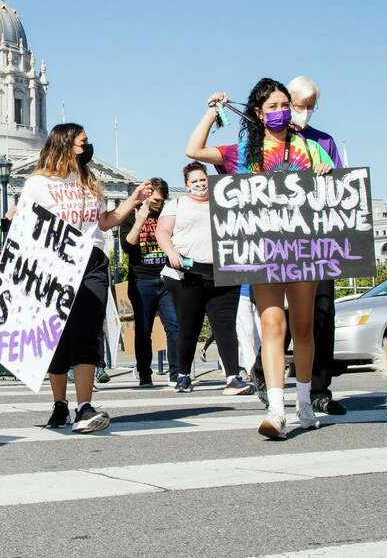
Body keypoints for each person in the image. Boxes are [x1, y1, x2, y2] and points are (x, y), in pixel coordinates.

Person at [187, 79, 334, 439]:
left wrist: (326, 174)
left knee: (302, 327)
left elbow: (332, 185)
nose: (281, 111)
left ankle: (303, 402)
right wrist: (213, 110)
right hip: (263, 252)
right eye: (273, 107)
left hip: (302, 249)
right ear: (258, 113)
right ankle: (276, 408)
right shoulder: (244, 151)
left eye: (286, 105)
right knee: (272, 327)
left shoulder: (309, 147)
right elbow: (194, 150)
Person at [15, 123, 154, 432]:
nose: (88, 147)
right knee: (58, 334)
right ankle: (60, 404)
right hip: (56, 260)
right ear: (65, 145)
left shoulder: (88, 180)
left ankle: (85, 405)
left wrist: (134, 199)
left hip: (91, 260)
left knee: (88, 330)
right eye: (83, 142)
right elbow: (27, 225)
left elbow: (105, 222)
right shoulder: (38, 183)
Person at [251, 75, 348, 415]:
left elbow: (341, 187)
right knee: (276, 321)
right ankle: (269, 383)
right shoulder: (258, 143)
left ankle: (317, 391)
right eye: (299, 105)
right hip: (273, 246)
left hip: (314, 243)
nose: (303, 112)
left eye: (310, 106)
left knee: (317, 318)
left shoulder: (322, 141)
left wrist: (328, 173)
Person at [155, 162, 252, 395]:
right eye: (194, 181)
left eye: (203, 180)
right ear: (187, 185)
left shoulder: (223, 202)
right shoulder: (176, 204)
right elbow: (162, 231)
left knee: (225, 326)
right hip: (187, 274)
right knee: (189, 326)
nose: (200, 185)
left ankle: (232, 376)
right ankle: (183, 375)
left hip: (222, 273)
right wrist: (171, 252)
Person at [120, 177, 179, 386]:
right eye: (154, 200)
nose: (158, 204)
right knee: (143, 330)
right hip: (141, 280)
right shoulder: (132, 213)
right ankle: (145, 374)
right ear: (146, 196)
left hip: (167, 277)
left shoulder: (168, 213)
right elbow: (127, 248)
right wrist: (140, 220)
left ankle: (176, 374)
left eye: (161, 201)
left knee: (174, 325)